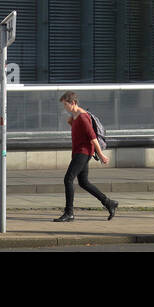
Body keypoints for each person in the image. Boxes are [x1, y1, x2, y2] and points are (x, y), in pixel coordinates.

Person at [55, 91, 117, 222]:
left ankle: (69, 213)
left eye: (66, 105)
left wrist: (101, 155)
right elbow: (80, 133)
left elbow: (92, 137)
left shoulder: (83, 117)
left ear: (73, 103)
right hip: (79, 152)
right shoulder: (75, 117)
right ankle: (108, 203)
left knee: (68, 179)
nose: (64, 108)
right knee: (83, 182)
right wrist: (71, 123)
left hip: (83, 152)